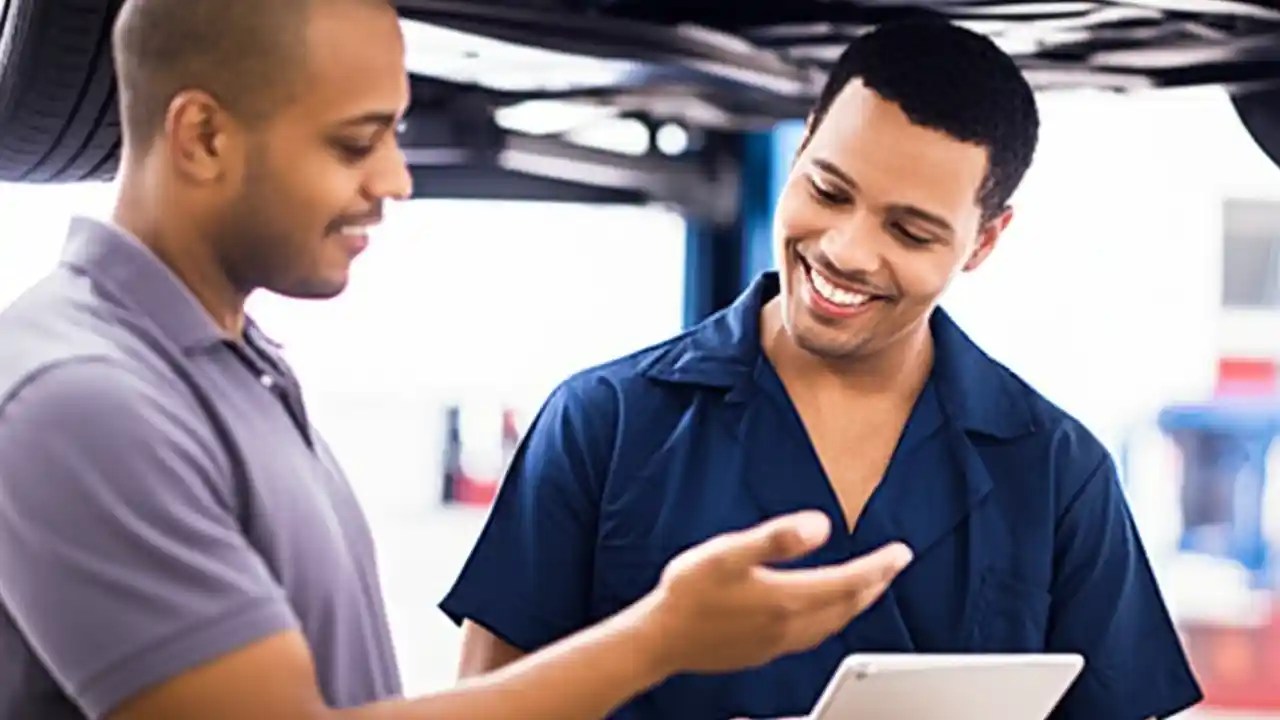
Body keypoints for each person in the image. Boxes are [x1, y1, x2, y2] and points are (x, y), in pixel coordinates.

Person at [0, 1, 916, 719]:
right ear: (202, 136)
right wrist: (661, 640)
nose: (395, 179)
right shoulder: (80, 401)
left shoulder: (222, 367)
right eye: (355, 143)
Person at [442, 17, 1205, 720]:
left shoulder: (1057, 472)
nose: (845, 251)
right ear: (803, 143)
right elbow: (481, 707)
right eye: (828, 191)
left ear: (983, 241)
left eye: (910, 232)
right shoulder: (602, 425)